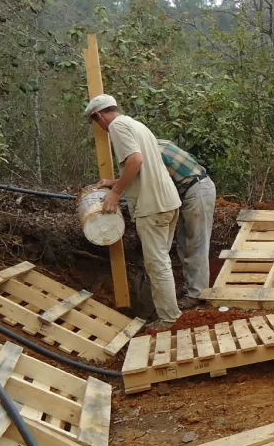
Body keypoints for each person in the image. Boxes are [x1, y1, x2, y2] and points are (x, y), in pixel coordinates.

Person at [84, 94, 181, 328]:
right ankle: (166, 313)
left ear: (99, 115)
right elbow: (143, 166)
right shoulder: (136, 125)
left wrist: (116, 192)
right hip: (167, 201)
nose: (99, 127)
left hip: (152, 206)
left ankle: (169, 319)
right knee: (161, 261)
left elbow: (135, 160)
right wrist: (116, 181)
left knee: (157, 263)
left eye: (95, 122)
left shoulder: (117, 126)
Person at [157, 138, 216, 308]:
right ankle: (191, 287)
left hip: (196, 190)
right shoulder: (161, 143)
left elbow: (160, 182)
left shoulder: (151, 154)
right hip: (191, 190)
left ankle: (197, 294)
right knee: (183, 243)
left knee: (197, 244)